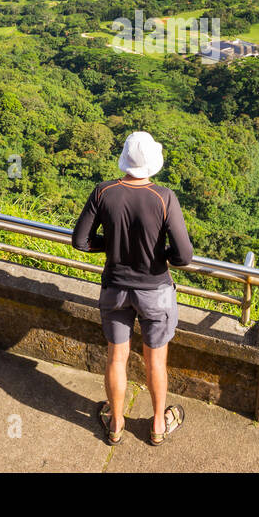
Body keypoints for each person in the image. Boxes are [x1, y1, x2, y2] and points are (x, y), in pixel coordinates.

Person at [71, 130, 193, 445]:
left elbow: (80, 241)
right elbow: (184, 255)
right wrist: (157, 254)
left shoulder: (103, 192)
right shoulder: (164, 197)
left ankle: (115, 423)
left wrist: (112, 245)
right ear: (153, 163)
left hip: (115, 288)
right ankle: (157, 426)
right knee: (155, 360)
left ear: (124, 160)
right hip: (155, 290)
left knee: (116, 357)